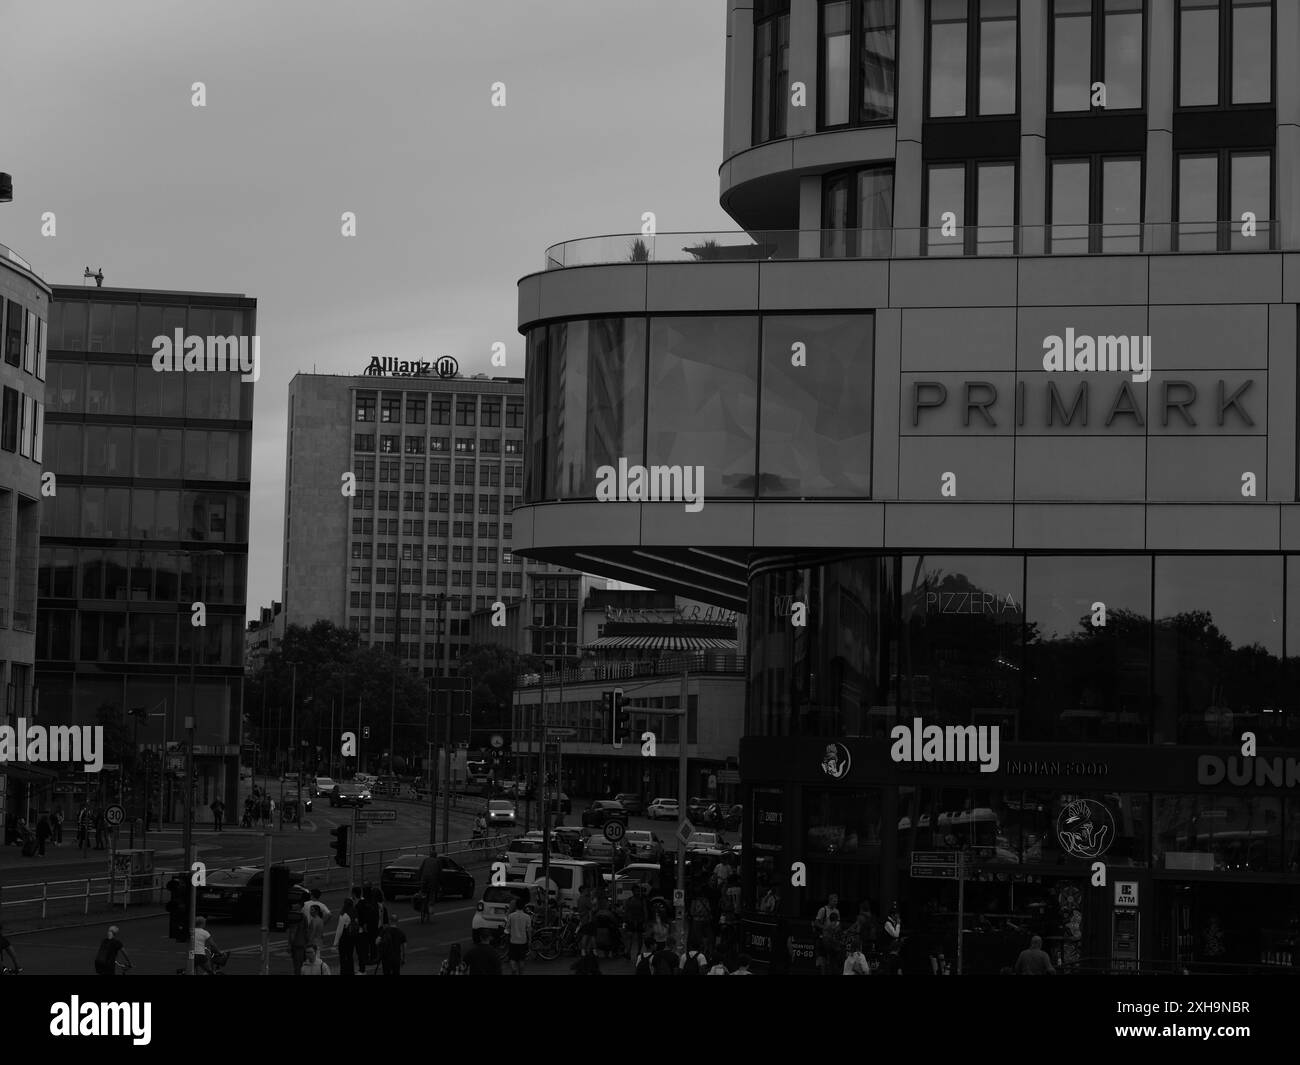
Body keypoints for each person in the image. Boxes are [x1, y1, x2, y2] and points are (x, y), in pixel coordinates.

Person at [505, 897, 532, 975]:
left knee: (512, 958)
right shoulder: (527, 917)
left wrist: (507, 935)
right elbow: (529, 930)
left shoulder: (511, 916)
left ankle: (514, 969)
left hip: (513, 941)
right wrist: (530, 940)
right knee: (521, 959)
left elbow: (507, 928)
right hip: (523, 941)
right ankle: (520, 972)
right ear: (523, 906)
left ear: (516, 906)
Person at [622, 885, 646, 961]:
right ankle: (630, 952)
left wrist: (645, 921)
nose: (638, 892)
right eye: (636, 891)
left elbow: (645, 911)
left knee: (637, 937)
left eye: (638, 891)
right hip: (632, 921)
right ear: (633, 892)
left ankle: (636, 952)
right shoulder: (631, 900)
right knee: (632, 937)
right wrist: (625, 921)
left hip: (638, 921)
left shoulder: (640, 900)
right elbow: (626, 911)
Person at [334, 898, 357, 976]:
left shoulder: (344, 915)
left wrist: (335, 942)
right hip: (352, 937)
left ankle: (344, 972)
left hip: (344, 938)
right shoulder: (354, 912)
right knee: (350, 955)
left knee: (343, 957)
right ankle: (351, 971)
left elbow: (339, 930)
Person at [882, 903, 903, 975]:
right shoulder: (887, 923)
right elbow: (896, 935)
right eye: (897, 914)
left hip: (893, 949)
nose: (899, 916)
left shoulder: (894, 922)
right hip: (888, 950)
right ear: (893, 915)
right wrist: (898, 924)